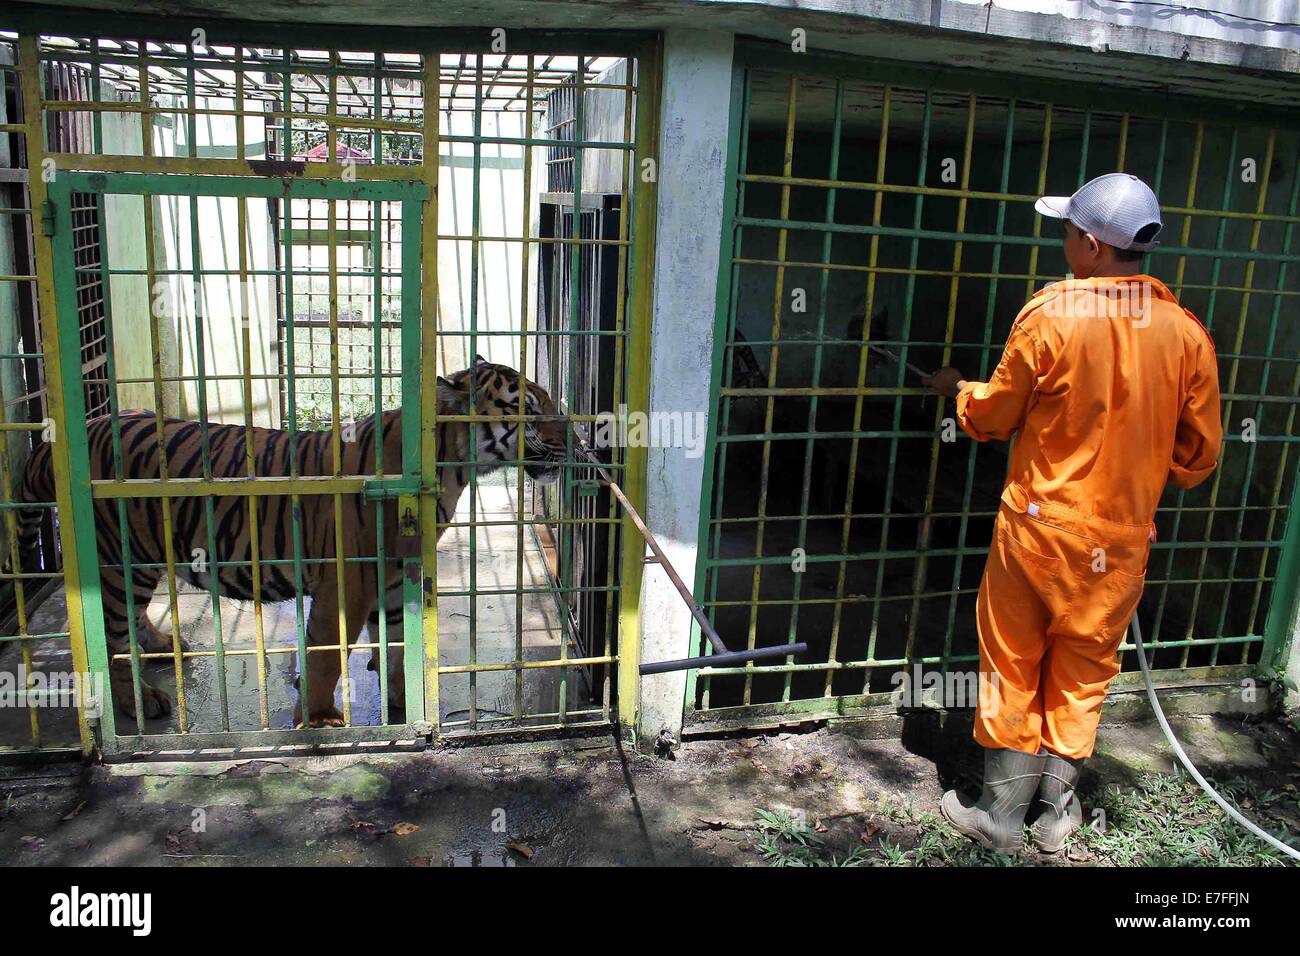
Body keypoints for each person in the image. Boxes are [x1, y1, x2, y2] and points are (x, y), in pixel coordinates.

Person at [923, 173, 1223, 854]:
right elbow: (1200, 458)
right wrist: (1140, 472)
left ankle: (998, 817)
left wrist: (959, 392)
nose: (1063, 244)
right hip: (1119, 543)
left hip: (1038, 529)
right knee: (1084, 671)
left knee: (1013, 665)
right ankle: (1057, 816)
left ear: (1090, 244)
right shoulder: (1186, 334)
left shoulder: (1052, 313)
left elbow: (995, 415)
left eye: (1066, 233)